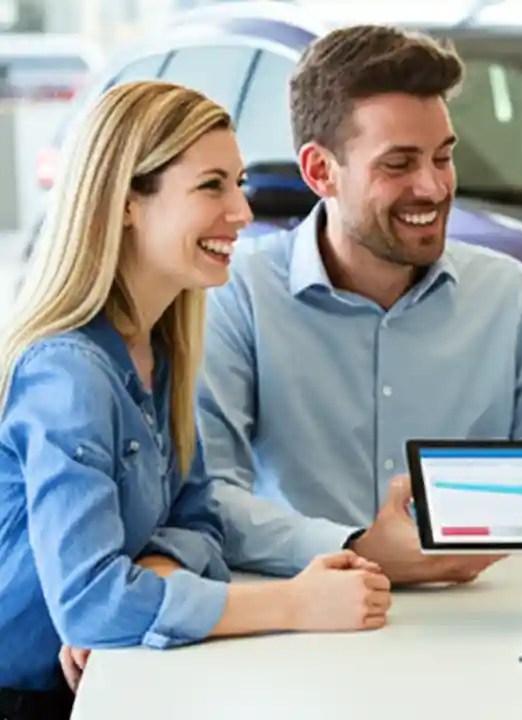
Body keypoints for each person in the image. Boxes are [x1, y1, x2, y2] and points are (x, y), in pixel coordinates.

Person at [0, 81, 393, 720]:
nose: (241, 211)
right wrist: (294, 603)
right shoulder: (68, 374)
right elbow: (92, 605)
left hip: (114, 678)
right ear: (127, 201)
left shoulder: (161, 353)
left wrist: (155, 566)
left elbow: (201, 522)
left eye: (237, 183)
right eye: (212, 186)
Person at [198, 24, 522, 583]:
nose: (432, 187)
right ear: (320, 171)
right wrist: (355, 547)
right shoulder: (238, 298)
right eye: (398, 165)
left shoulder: (509, 295)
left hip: (478, 616)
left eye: (442, 158)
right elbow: (208, 497)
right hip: (304, 614)